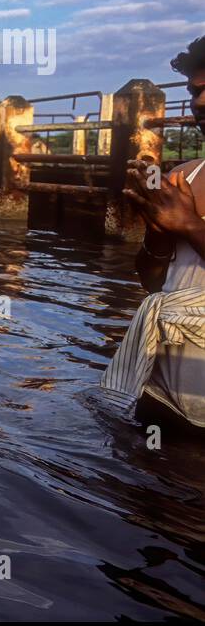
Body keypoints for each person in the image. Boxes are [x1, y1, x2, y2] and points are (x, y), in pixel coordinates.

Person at [103, 36, 205, 428]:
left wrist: (191, 226)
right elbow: (152, 281)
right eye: (195, 92)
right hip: (163, 388)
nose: (200, 103)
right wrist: (159, 236)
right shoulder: (184, 178)